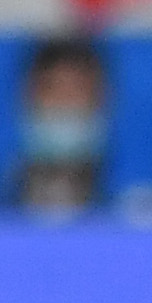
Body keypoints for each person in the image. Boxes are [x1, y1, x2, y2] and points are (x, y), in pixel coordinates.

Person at [10, 34, 110, 215]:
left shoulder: (139, 206)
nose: (64, 102)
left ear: (103, 100)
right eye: (52, 88)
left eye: (78, 89)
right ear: (25, 98)